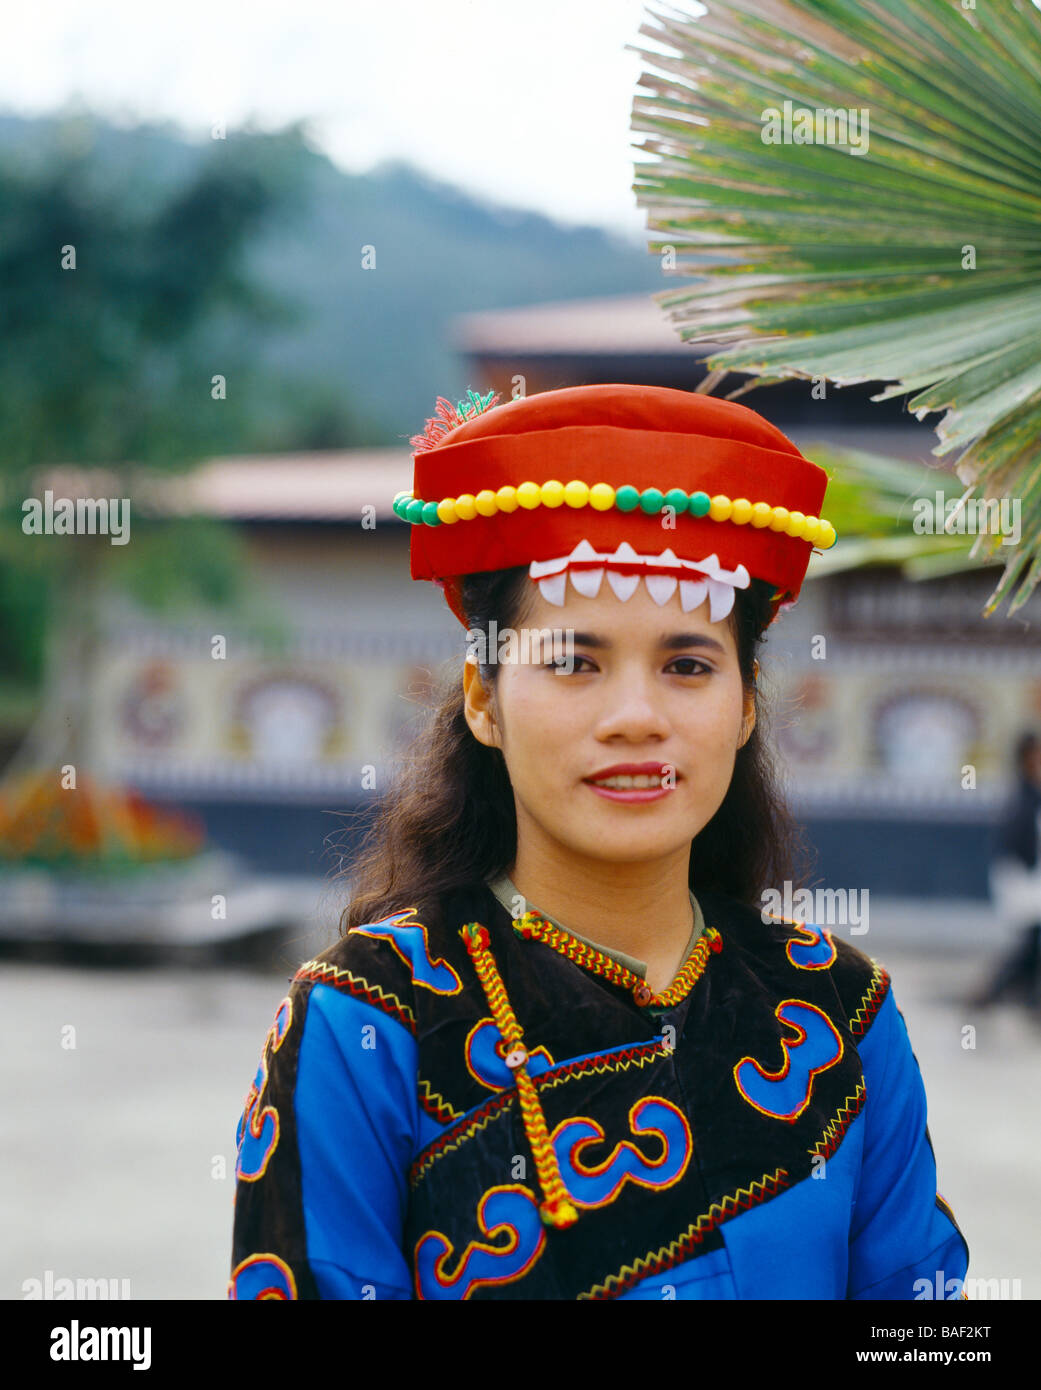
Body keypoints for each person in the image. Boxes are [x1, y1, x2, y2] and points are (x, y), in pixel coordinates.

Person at [228, 382, 969, 1301]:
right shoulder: (369, 1022)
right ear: (483, 700)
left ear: (744, 707)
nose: (634, 717)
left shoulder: (842, 1014)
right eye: (574, 663)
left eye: (687, 665)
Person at [972, 731, 1041, 1013]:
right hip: (1023, 885)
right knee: (1032, 945)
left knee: (1032, 947)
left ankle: (1017, 999)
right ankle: (993, 995)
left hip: (1030, 884)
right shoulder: (1021, 801)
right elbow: (1014, 849)